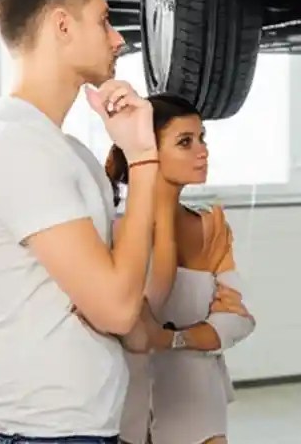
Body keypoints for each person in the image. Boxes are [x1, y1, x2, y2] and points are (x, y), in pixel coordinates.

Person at [0, 0, 170, 444]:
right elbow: (117, 309)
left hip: (77, 431)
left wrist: (139, 154)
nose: (119, 39)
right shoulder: (12, 145)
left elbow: (131, 320)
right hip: (31, 435)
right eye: (105, 20)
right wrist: (145, 161)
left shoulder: (68, 153)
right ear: (62, 26)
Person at [104, 94, 256, 444]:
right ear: (149, 152)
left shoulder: (210, 226)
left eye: (202, 138)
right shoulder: (111, 231)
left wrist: (171, 338)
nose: (202, 151)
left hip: (197, 405)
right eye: (185, 142)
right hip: (127, 408)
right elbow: (133, 314)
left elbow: (237, 320)